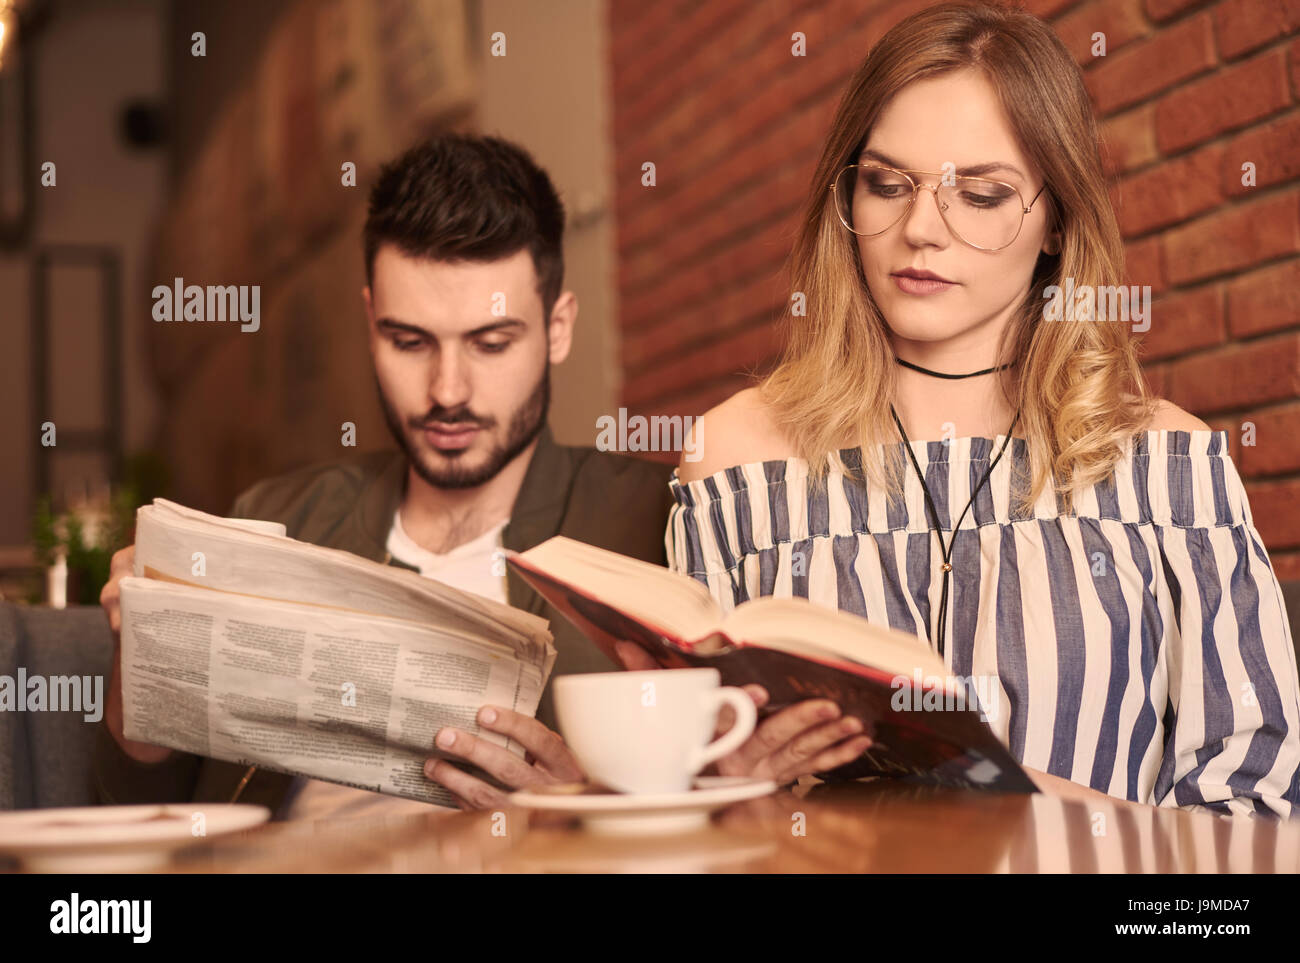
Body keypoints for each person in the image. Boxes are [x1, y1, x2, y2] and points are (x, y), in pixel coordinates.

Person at [665, 2, 1300, 819]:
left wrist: (1017, 803)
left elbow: (1256, 818)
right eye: (886, 183)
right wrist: (718, 783)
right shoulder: (734, 458)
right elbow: (692, 812)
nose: (920, 229)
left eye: (982, 193)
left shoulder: (1165, 466)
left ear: (1057, 222)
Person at [95, 132, 678, 819]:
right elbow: (138, 808)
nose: (447, 390)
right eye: (409, 341)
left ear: (558, 328)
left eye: (491, 343)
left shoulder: (653, 521)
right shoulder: (279, 516)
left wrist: (586, 812)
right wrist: (141, 661)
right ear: (371, 320)